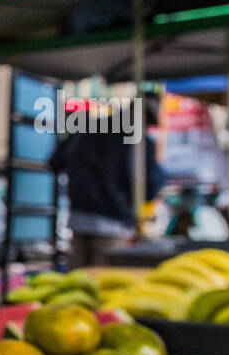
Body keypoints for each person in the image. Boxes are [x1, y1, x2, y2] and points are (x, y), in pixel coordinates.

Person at [48, 97, 166, 268]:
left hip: (78, 220)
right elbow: (151, 186)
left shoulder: (88, 127)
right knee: (103, 285)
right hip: (113, 223)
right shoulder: (138, 140)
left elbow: (55, 161)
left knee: (75, 284)